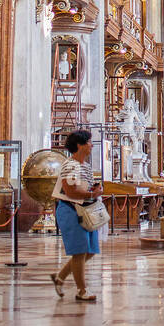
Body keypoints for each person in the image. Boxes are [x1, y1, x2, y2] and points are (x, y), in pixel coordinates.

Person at [50, 129, 103, 302]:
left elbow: (83, 188)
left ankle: (60, 278)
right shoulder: (70, 165)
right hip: (71, 210)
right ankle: (82, 290)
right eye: (89, 142)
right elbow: (70, 190)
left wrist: (94, 190)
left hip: (84, 210)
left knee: (90, 251)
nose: (91, 145)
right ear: (80, 145)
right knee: (80, 251)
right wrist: (91, 195)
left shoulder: (85, 166)